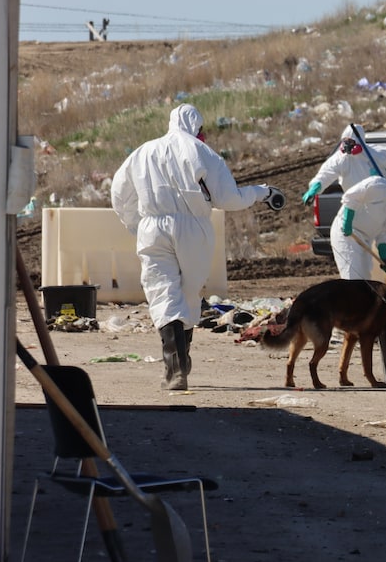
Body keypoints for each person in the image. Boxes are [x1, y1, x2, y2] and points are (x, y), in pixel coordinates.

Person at [111, 103, 282, 390]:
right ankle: (181, 362)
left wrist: (136, 224)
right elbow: (229, 199)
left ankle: (175, 367)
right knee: (188, 294)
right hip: (193, 228)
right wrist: (261, 192)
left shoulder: (143, 152)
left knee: (162, 291)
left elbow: (119, 194)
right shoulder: (203, 152)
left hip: (152, 228)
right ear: (197, 127)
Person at [301, 115, 386, 280]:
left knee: (365, 278)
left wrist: (385, 259)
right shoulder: (342, 160)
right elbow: (326, 174)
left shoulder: (380, 158)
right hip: (346, 231)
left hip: (365, 238)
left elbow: (384, 234)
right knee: (353, 278)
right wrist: (315, 188)